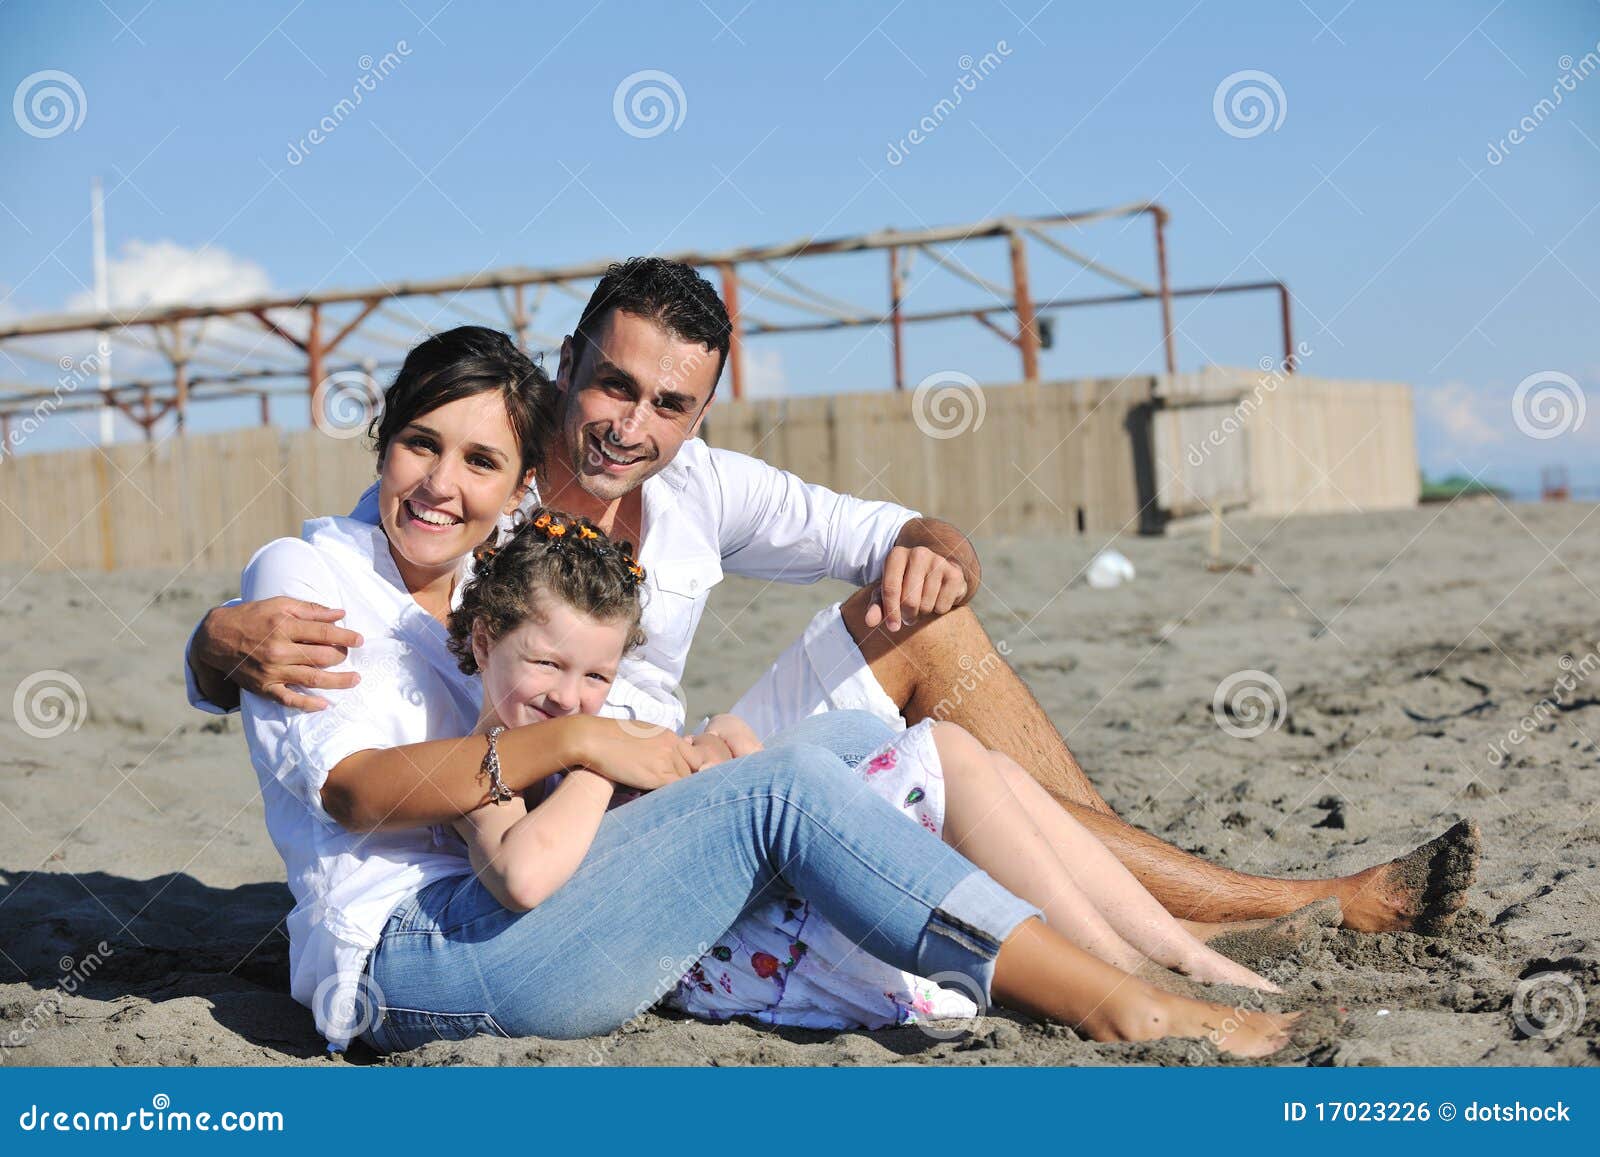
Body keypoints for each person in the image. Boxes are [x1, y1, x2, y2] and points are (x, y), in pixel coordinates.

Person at [188, 258, 1477, 937]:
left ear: (701, 411)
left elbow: (905, 531)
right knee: (941, 735)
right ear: (566, 362)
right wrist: (209, 645)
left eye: (668, 404)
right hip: (588, 814)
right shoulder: (490, 484)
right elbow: (370, 559)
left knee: (935, 625)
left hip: (692, 759)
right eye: (611, 385)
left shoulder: (702, 488)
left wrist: (935, 550)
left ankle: (1181, 887)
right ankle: (1293, 902)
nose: (630, 427)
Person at [235, 324, 1296, 1056]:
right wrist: (591, 747)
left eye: (477, 461)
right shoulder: (312, 570)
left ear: (519, 487)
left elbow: (873, 537)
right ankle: (1120, 1005)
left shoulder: (488, 569)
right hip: (409, 959)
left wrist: (663, 757)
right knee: (783, 789)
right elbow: (353, 794)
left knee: (844, 742)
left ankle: (1142, 947)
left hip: (528, 899)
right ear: (381, 440)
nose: (440, 482)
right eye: (420, 444)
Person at [442, 508, 1280, 1034]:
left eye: (595, 677)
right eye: (545, 665)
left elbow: (695, 800)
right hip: (708, 953)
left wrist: (717, 747)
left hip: (732, 898)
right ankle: (1122, 971)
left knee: (950, 749)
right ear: (484, 642)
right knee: (909, 769)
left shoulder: (595, 726)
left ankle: (1164, 946)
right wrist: (594, 758)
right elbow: (525, 872)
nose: (569, 698)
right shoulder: (486, 764)